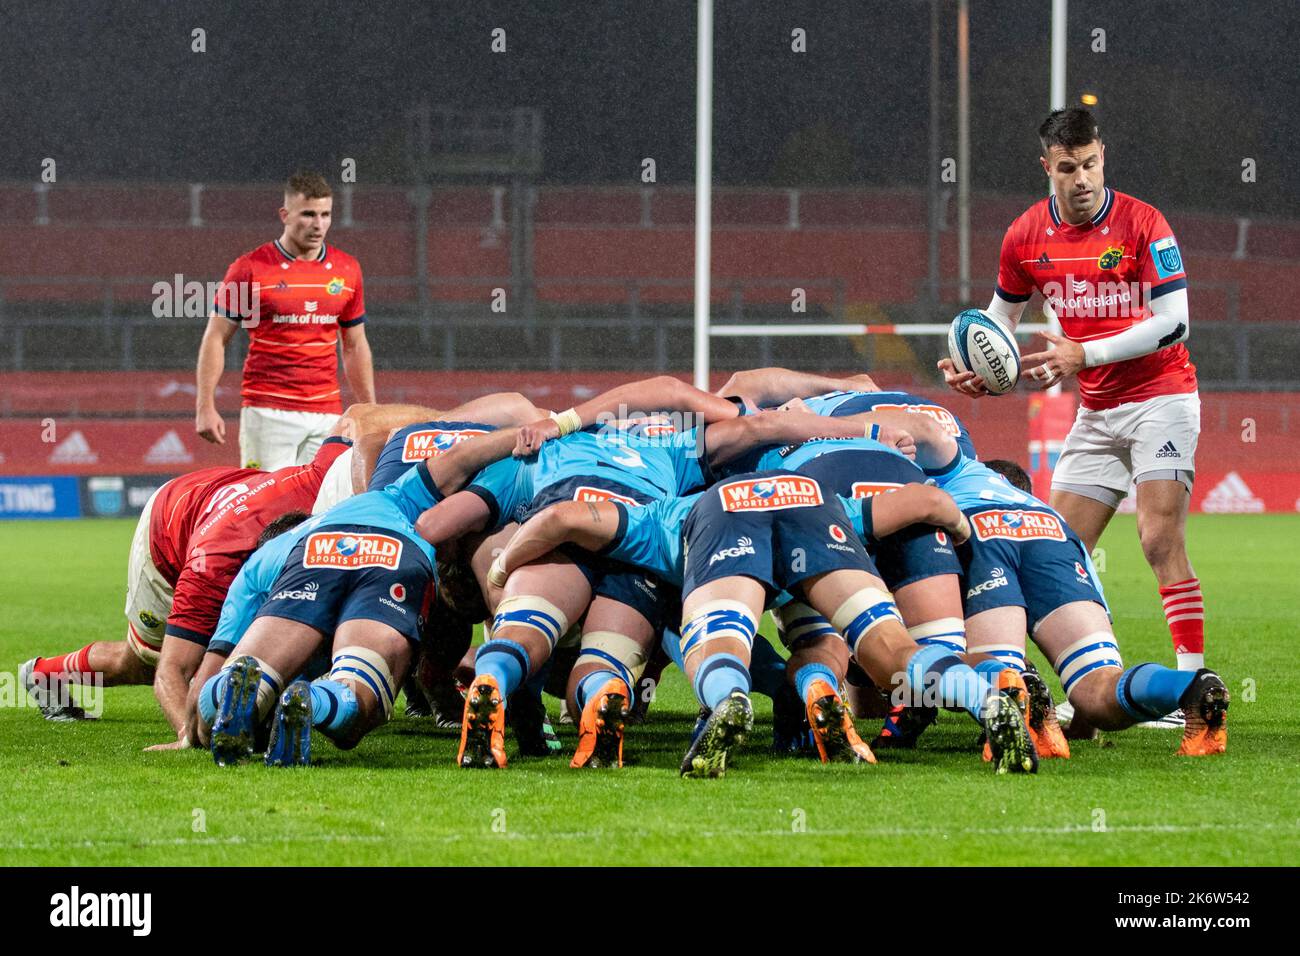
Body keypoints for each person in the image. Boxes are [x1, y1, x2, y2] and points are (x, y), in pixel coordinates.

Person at [492, 470, 1038, 777]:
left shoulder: (661, 515)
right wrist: (965, 537)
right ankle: (984, 700)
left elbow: (561, 517)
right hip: (815, 505)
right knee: (890, 651)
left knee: (720, 641)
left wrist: (501, 566)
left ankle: (728, 700)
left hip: (723, 517)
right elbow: (929, 501)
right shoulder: (825, 491)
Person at [939, 108, 1206, 703]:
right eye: (1068, 167)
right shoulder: (1026, 236)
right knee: (1056, 551)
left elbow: (1176, 323)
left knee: (1159, 539)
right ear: (1047, 168)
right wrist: (977, 371)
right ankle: (1092, 678)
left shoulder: (1144, 224)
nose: (1082, 178)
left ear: (1102, 156)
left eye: (1090, 163)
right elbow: (999, 321)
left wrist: (1085, 354)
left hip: (1162, 397)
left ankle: (1191, 687)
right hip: (1097, 411)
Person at [194, 427, 525, 766]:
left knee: (244, 680)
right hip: (392, 550)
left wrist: (195, 727)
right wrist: (530, 431)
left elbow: (207, 673)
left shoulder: (261, 563)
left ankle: (245, 688)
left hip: (310, 557)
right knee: (361, 690)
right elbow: (459, 458)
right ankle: (317, 700)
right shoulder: (389, 495)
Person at [195, 170, 375, 471]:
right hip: (268, 412)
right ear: (285, 215)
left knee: (321, 511)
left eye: (325, 214)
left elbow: (355, 345)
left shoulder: (347, 270)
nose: (318, 224)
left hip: (327, 414)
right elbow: (216, 337)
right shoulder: (250, 268)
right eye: (308, 214)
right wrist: (205, 406)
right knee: (266, 512)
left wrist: (368, 408)